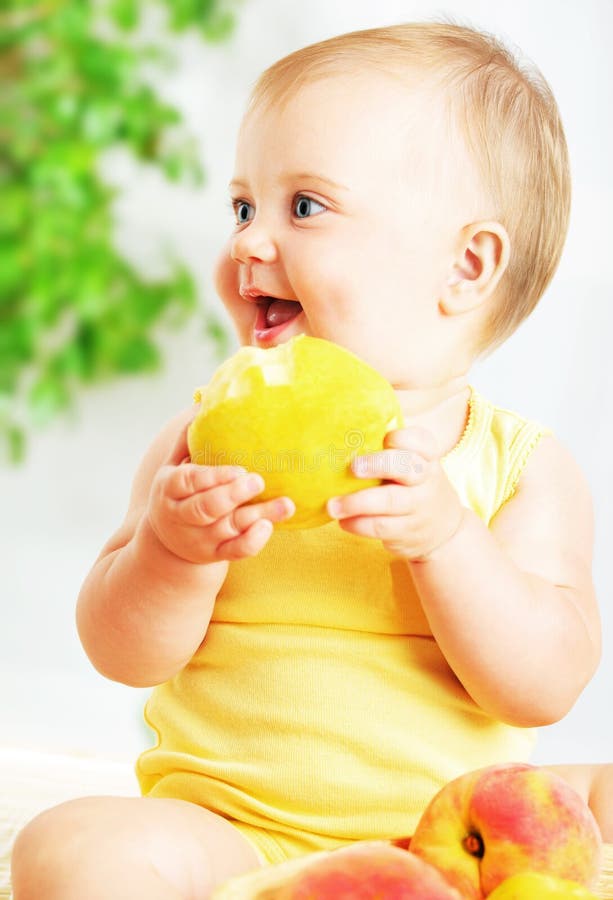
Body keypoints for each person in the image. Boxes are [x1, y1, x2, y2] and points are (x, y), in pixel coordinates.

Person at [12, 21, 611, 900]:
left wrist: (448, 541)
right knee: (68, 845)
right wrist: (171, 555)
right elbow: (121, 653)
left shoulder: (518, 466)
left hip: (444, 839)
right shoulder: (202, 444)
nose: (248, 243)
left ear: (465, 266)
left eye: (304, 207)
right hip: (233, 833)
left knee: (583, 807)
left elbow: (544, 684)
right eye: (242, 208)